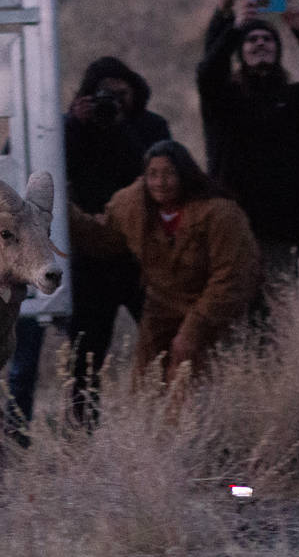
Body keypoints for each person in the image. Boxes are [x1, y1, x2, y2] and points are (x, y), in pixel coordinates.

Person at [8, 57, 170, 427]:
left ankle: (168, 420)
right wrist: (70, 125)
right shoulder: (71, 129)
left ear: (135, 92)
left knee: (163, 335)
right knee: (86, 355)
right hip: (89, 256)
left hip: (140, 253)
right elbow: (44, 169)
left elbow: (158, 174)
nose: (112, 102)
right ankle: (82, 433)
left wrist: (120, 127)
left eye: (120, 94)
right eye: (103, 95)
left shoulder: (150, 126)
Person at [69, 140, 260, 382]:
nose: (160, 182)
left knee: (190, 383)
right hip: (160, 309)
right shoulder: (133, 205)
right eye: (153, 174)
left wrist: (195, 329)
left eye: (169, 173)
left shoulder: (220, 214)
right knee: (147, 386)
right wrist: (64, 212)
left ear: (185, 174)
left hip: (210, 309)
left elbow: (232, 277)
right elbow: (101, 236)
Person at [198, 0, 299, 286]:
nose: (260, 42)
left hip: (281, 228)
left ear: (277, 50)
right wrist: (228, 23)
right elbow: (208, 71)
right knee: (234, 315)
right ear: (240, 51)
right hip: (232, 225)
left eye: (268, 39)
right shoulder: (224, 100)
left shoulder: (295, 100)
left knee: (274, 317)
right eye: (251, 39)